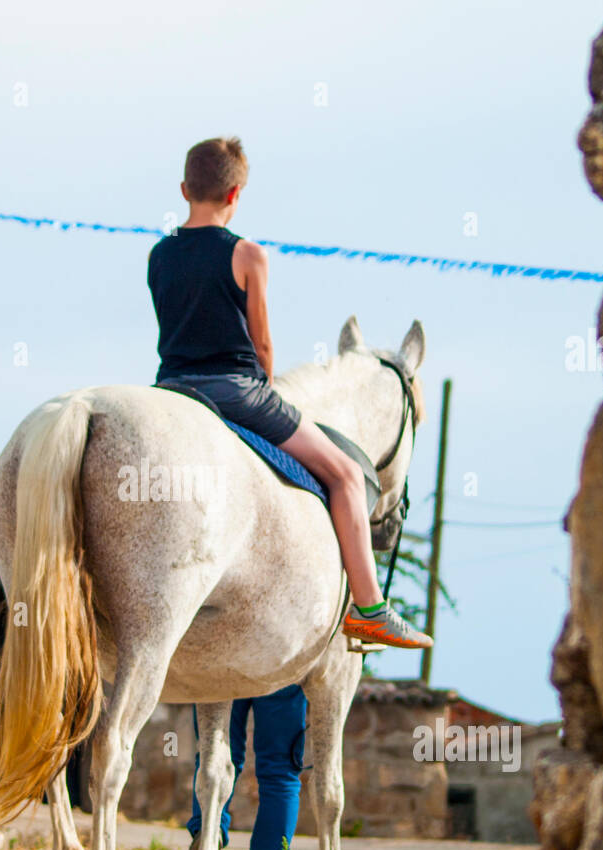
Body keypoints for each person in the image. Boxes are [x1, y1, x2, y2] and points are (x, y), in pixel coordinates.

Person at [147, 135, 432, 650]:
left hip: (171, 390)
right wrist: (267, 388)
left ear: (185, 189)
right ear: (236, 195)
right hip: (236, 391)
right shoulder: (248, 255)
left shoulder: (159, 255)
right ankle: (370, 609)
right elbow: (261, 341)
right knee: (346, 474)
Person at [171, 686, 308, 850]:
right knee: (280, 771)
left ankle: (209, 833)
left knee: (213, 756)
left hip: (221, 664)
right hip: (281, 665)